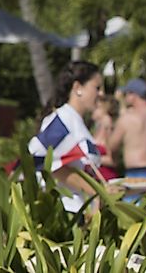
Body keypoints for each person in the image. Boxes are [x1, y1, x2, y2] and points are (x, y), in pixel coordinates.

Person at [28, 61, 104, 213]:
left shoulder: (74, 120)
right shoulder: (63, 119)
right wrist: (95, 192)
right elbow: (45, 163)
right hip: (65, 212)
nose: (101, 94)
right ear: (78, 88)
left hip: (79, 210)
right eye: (97, 88)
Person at [91, 94, 119, 180]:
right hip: (95, 179)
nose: (93, 110)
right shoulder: (98, 129)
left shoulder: (108, 129)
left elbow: (113, 160)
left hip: (106, 179)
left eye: (97, 107)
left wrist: (93, 159)